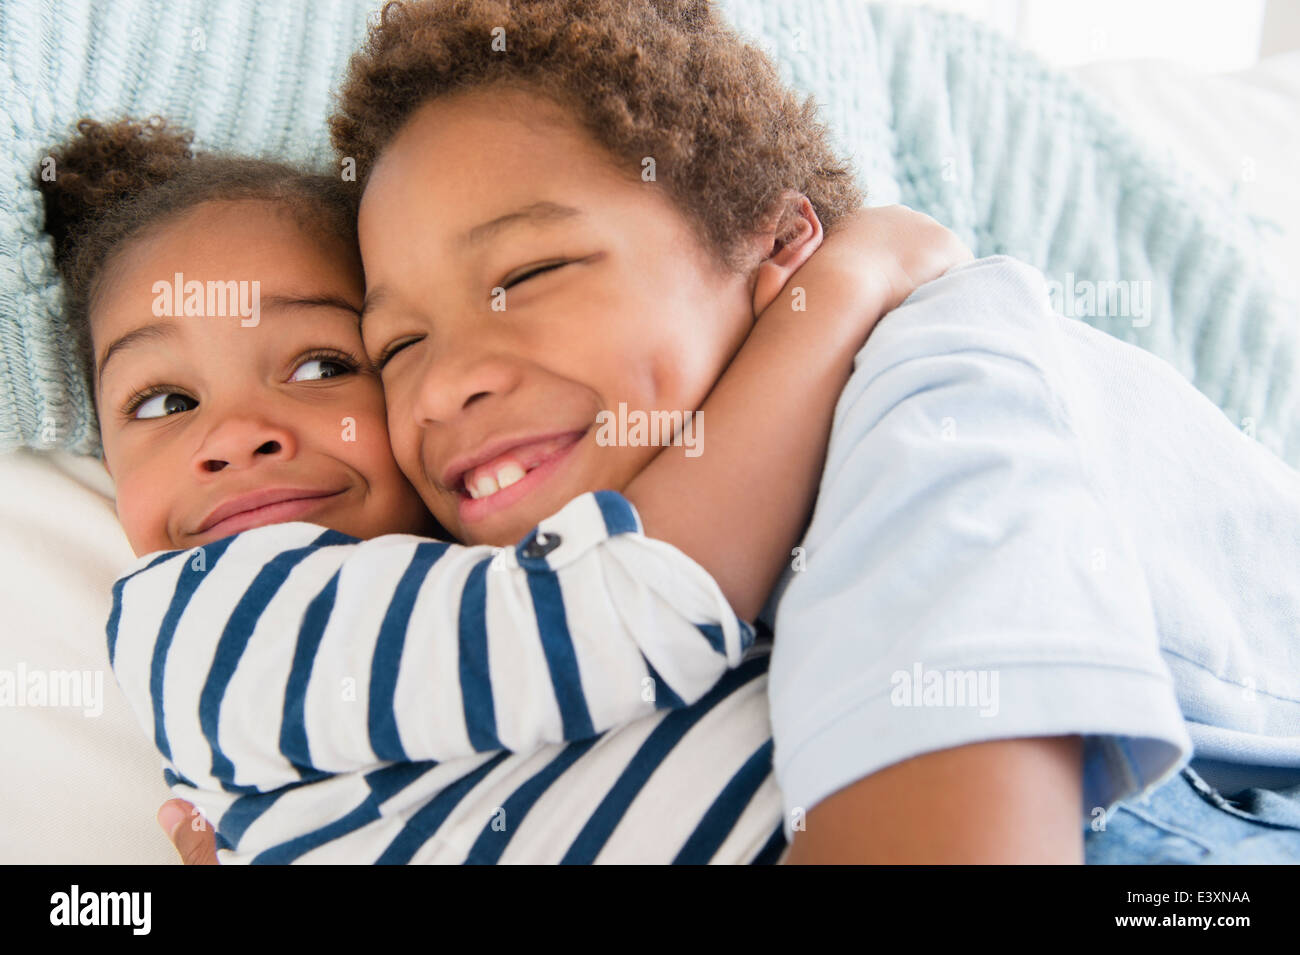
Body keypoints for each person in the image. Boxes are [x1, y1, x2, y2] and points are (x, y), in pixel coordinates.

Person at [39, 115, 966, 862]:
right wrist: (848, 281)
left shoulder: (495, 559)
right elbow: (629, 611)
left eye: (324, 367)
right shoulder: (204, 618)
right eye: (162, 399)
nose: (236, 433)